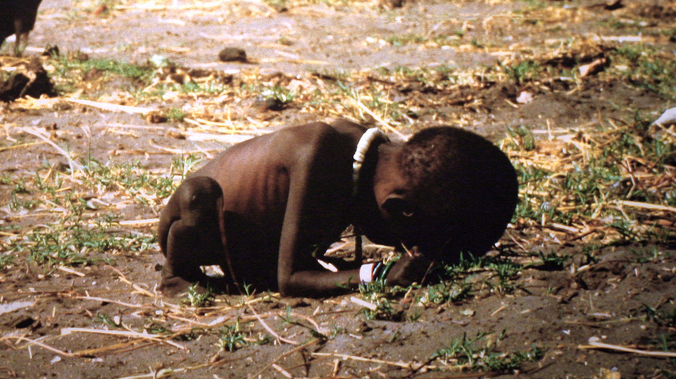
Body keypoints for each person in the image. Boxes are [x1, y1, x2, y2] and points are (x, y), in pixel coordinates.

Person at [157, 119, 519, 297]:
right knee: (198, 198)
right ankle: (177, 276)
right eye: (408, 242)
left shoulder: (375, 158)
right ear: (397, 209)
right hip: (201, 225)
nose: (405, 250)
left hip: (255, 243)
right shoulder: (319, 157)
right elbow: (290, 280)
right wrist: (378, 275)